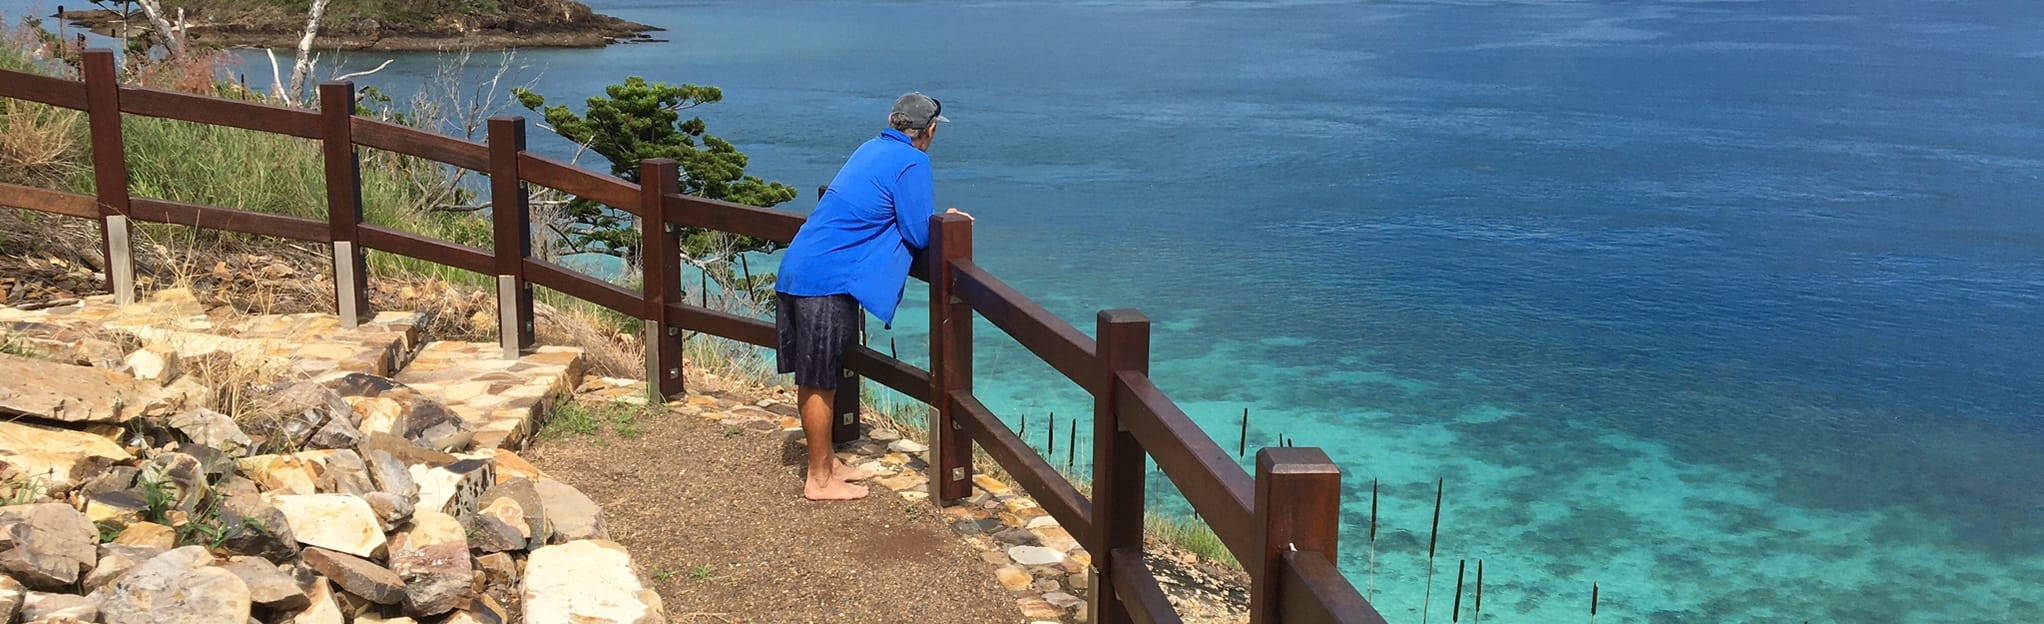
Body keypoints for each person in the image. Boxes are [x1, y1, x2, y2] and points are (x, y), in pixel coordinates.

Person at [775, 92, 971, 501]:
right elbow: (918, 233)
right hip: (825, 281)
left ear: (893, 121)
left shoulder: (872, 147)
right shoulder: (913, 162)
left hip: (802, 267)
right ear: (930, 131)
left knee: (819, 374)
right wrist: (948, 222)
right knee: (818, 379)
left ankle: (827, 463)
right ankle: (818, 478)